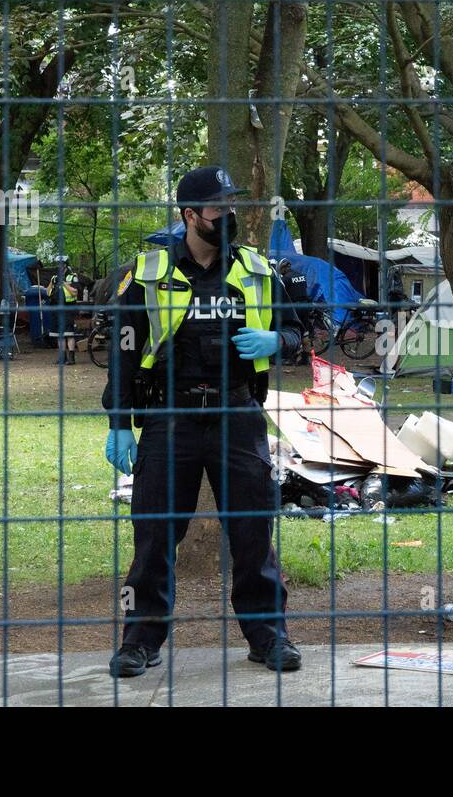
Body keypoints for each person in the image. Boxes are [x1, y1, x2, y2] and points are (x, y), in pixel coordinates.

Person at [102, 166, 304, 677]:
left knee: (254, 532)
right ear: (191, 216)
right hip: (171, 416)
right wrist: (119, 422)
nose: (228, 216)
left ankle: (269, 637)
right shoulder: (146, 273)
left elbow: (300, 332)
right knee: (153, 537)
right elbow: (124, 351)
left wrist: (276, 341)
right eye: (218, 209)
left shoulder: (257, 271)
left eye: (230, 206)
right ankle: (138, 641)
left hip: (237, 413)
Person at [48, 261, 83, 364]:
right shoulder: (54, 278)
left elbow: (75, 292)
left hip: (68, 308)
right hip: (56, 307)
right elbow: (47, 291)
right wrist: (53, 284)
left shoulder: (72, 277)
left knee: (69, 333)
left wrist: (63, 283)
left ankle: (71, 358)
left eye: (61, 264)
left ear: (65, 266)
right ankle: (62, 357)